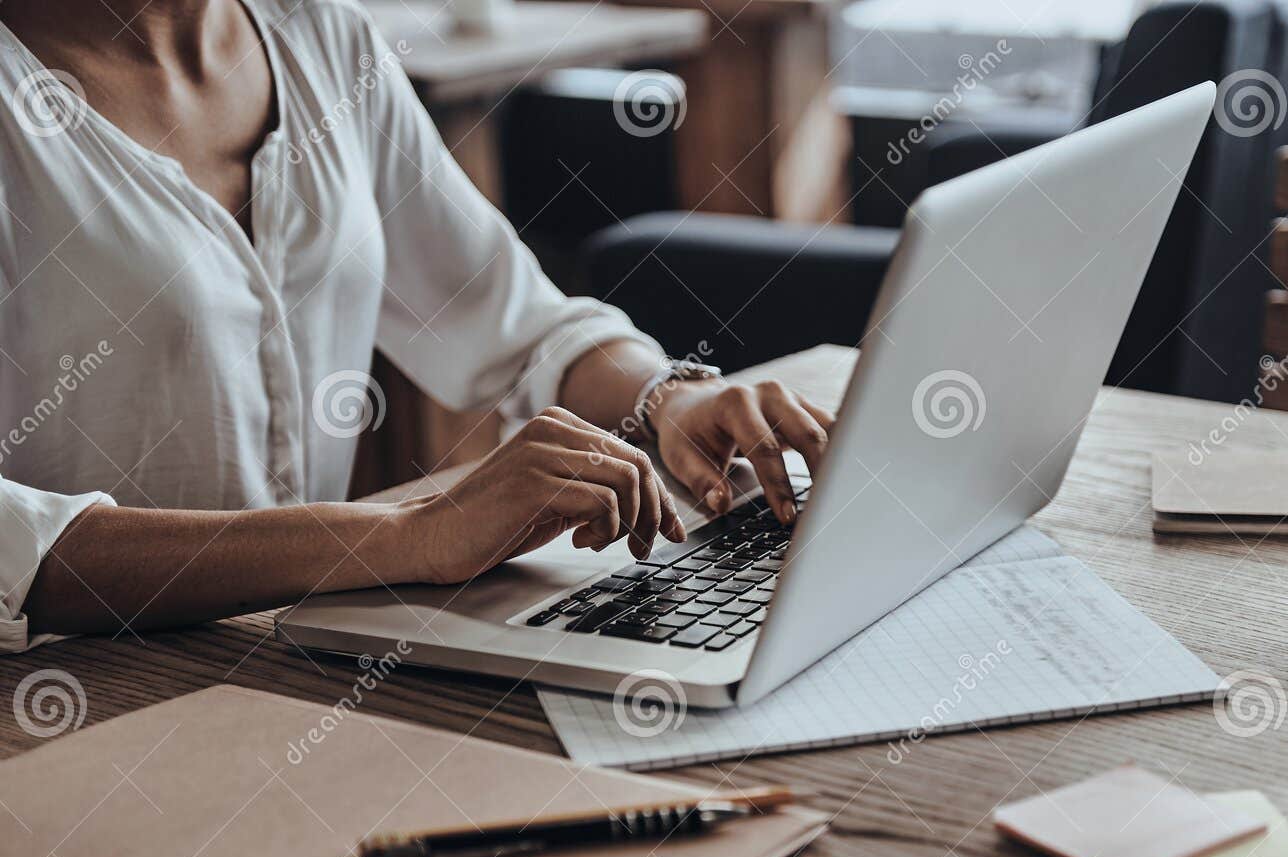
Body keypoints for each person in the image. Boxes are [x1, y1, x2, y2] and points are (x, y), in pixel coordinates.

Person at [0, 0, 832, 652]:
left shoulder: (323, 38)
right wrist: (405, 536)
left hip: (289, 654)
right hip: (74, 690)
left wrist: (667, 397)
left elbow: (514, 321)